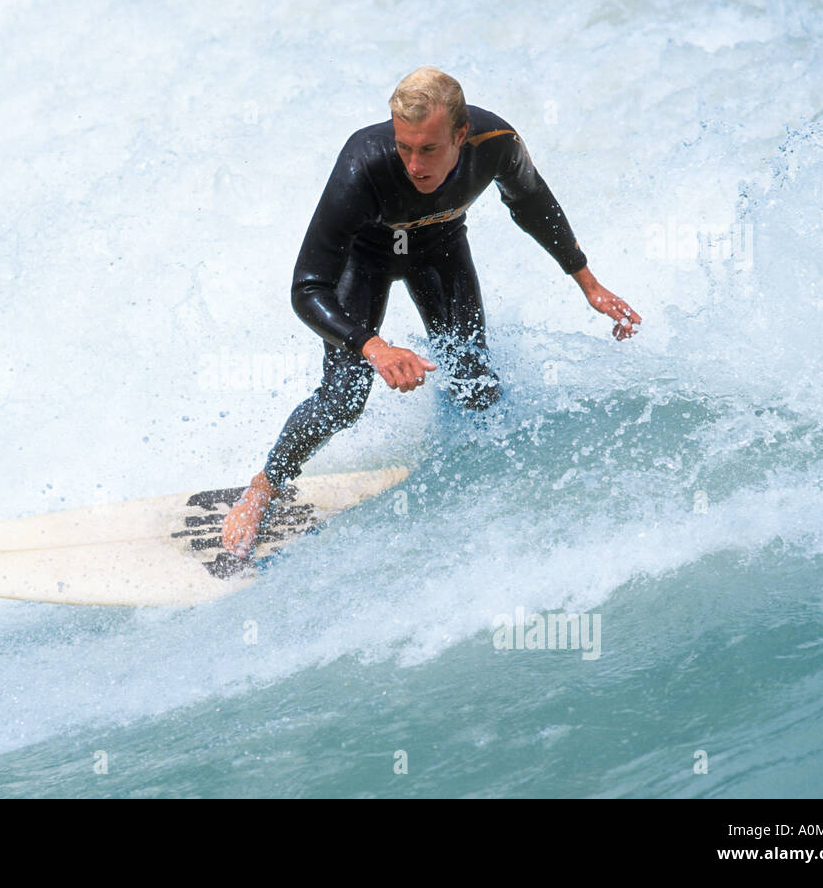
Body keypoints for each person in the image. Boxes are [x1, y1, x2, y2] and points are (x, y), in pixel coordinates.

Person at [221, 66, 640, 558]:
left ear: (461, 135)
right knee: (343, 399)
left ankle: (468, 479)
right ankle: (265, 487)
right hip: (367, 259)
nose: (415, 165)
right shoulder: (363, 164)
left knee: (476, 384)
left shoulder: (496, 143)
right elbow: (307, 288)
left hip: (439, 250)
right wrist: (373, 346)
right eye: (405, 147)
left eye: (429, 149)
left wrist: (586, 280)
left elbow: (530, 201)